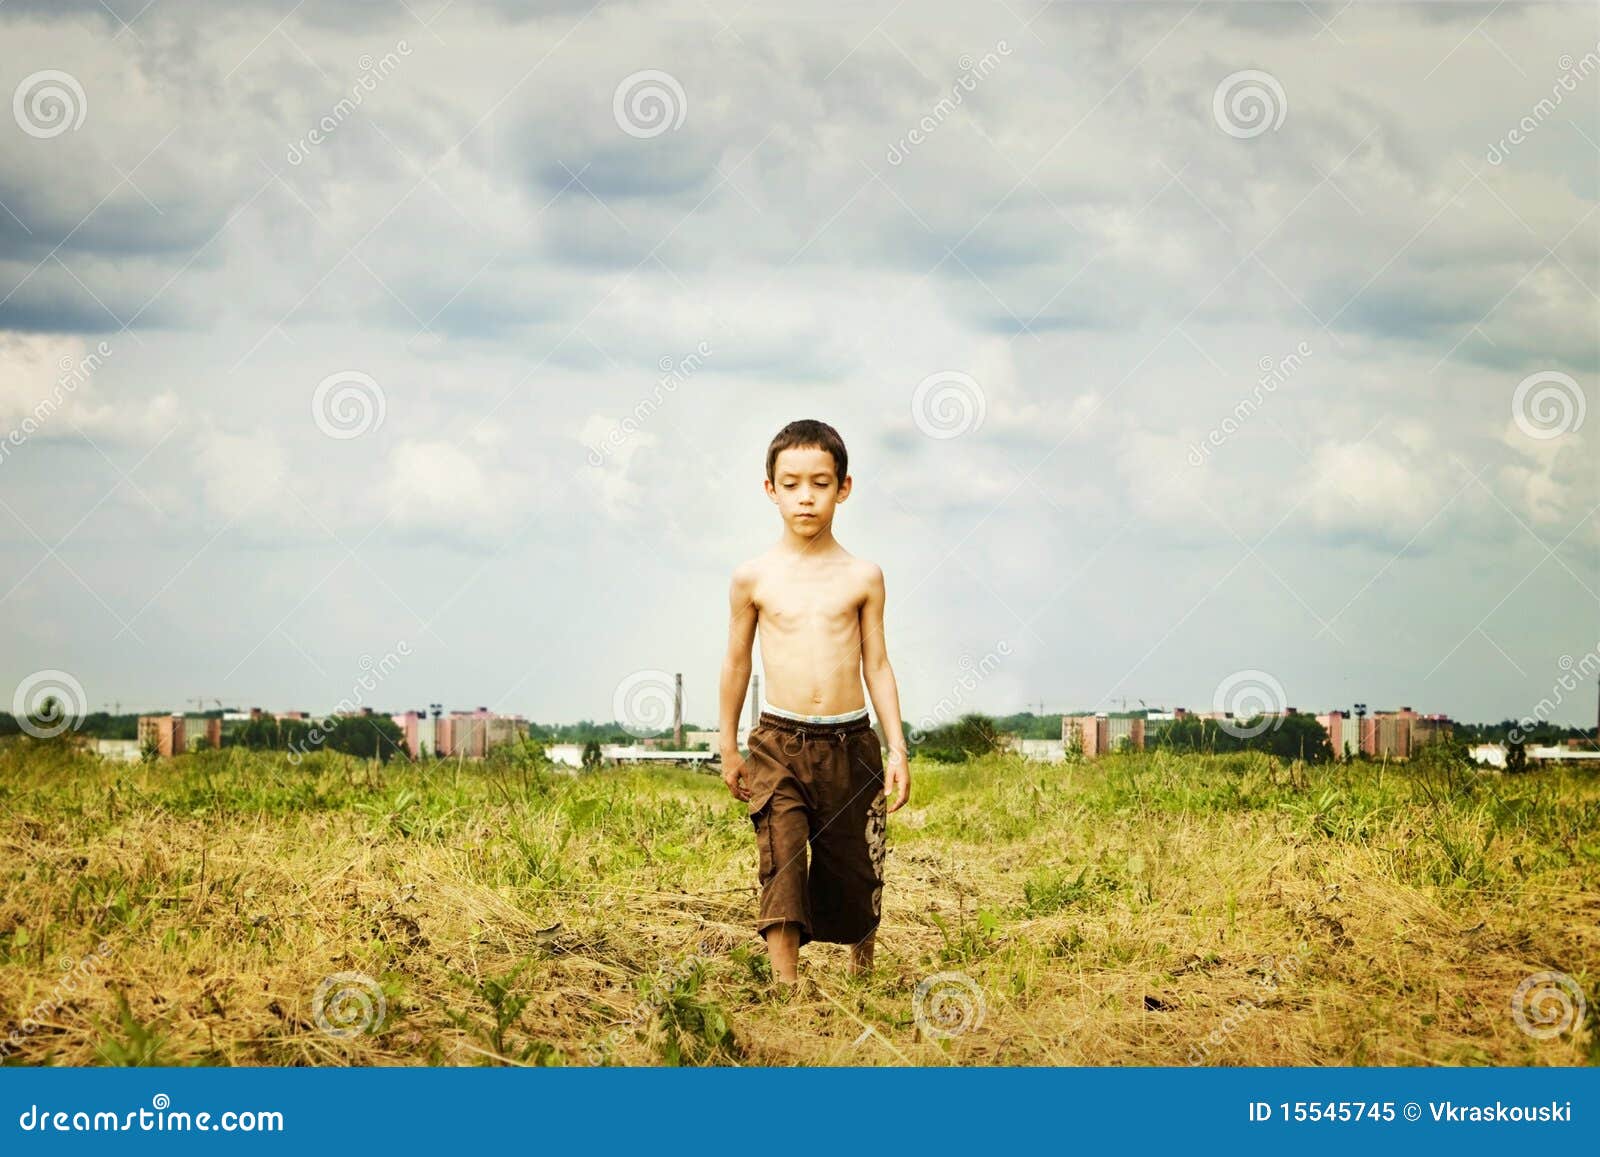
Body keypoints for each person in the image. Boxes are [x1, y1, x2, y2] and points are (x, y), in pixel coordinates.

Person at [718, 419, 911, 987]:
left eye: (821, 483)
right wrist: (726, 745)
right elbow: (736, 663)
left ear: (843, 488)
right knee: (781, 858)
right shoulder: (753, 577)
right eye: (793, 482)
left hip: (851, 742)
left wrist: (896, 748)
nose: (807, 495)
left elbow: (876, 664)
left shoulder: (863, 576)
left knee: (855, 866)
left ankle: (862, 967)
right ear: (770, 489)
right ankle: (787, 987)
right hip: (778, 742)